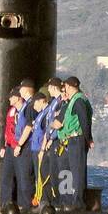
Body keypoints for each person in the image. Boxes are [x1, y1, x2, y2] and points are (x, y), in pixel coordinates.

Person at [57, 76, 94, 210]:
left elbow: (84, 121)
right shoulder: (73, 100)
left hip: (77, 139)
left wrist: (88, 138)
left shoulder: (78, 100)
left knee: (77, 171)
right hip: (70, 140)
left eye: (65, 86)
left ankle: (79, 202)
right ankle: (68, 200)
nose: (64, 89)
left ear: (70, 86)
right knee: (69, 170)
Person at [37, 78, 65, 206]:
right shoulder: (54, 102)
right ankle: (48, 199)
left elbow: (58, 123)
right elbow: (49, 124)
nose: (48, 90)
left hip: (55, 142)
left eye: (49, 87)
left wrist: (51, 138)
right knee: (49, 172)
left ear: (54, 87)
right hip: (49, 142)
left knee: (56, 173)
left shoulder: (61, 102)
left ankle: (58, 201)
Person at [0, 90, 26, 208]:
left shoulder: (26, 110)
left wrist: (19, 145)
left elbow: (27, 129)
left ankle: (23, 205)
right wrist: (4, 146)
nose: (9, 99)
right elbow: (7, 130)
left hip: (20, 147)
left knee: (22, 176)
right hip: (9, 147)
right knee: (6, 176)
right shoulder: (11, 111)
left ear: (18, 98)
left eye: (11, 97)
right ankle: (6, 204)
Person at [27, 92, 48, 204]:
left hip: (40, 150)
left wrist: (42, 150)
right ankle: (38, 198)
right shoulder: (40, 114)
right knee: (37, 177)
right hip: (35, 149)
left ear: (41, 100)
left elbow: (47, 133)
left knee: (42, 176)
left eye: (35, 104)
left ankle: (43, 200)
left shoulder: (46, 114)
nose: (34, 107)